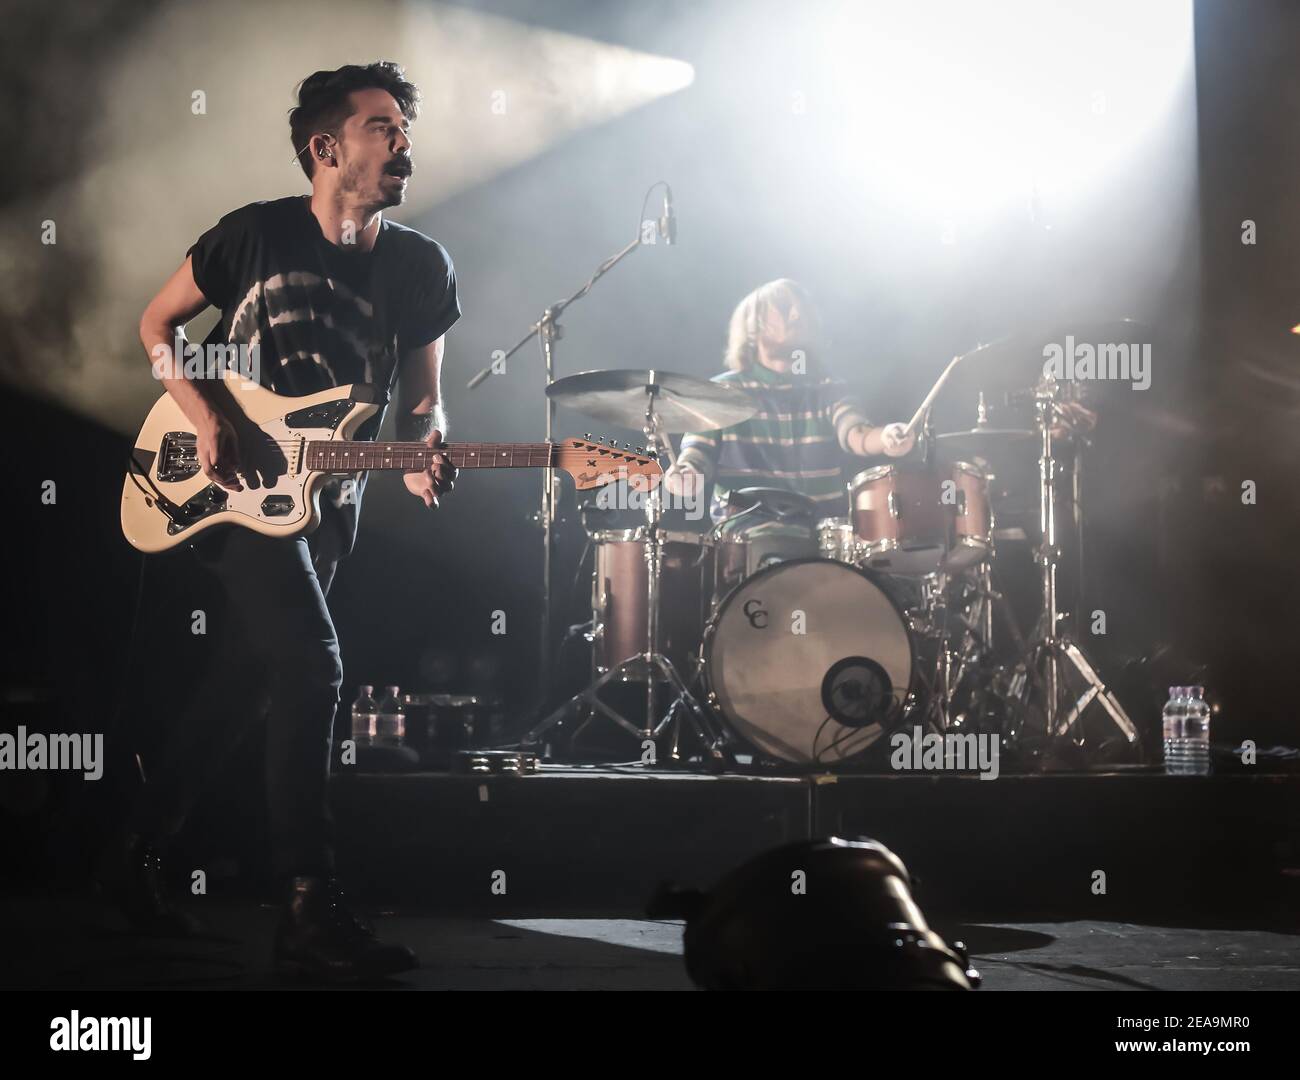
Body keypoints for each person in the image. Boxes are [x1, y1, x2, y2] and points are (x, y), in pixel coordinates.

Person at [98, 62, 459, 981]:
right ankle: (309, 903)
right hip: (226, 485)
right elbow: (157, 325)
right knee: (313, 660)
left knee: (249, 683)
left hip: (328, 501)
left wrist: (426, 454)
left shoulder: (419, 265)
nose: (402, 142)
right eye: (383, 126)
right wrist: (209, 417)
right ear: (325, 148)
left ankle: (134, 857)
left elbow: (425, 405)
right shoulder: (251, 235)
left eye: (404, 127)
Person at [664, 279, 916, 517]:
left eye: (801, 310)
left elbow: (857, 434)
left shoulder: (826, 388)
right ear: (754, 326)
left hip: (818, 530)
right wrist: (686, 474)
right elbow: (698, 454)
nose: (797, 315)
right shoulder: (721, 392)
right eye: (786, 308)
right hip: (746, 530)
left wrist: (886, 437)